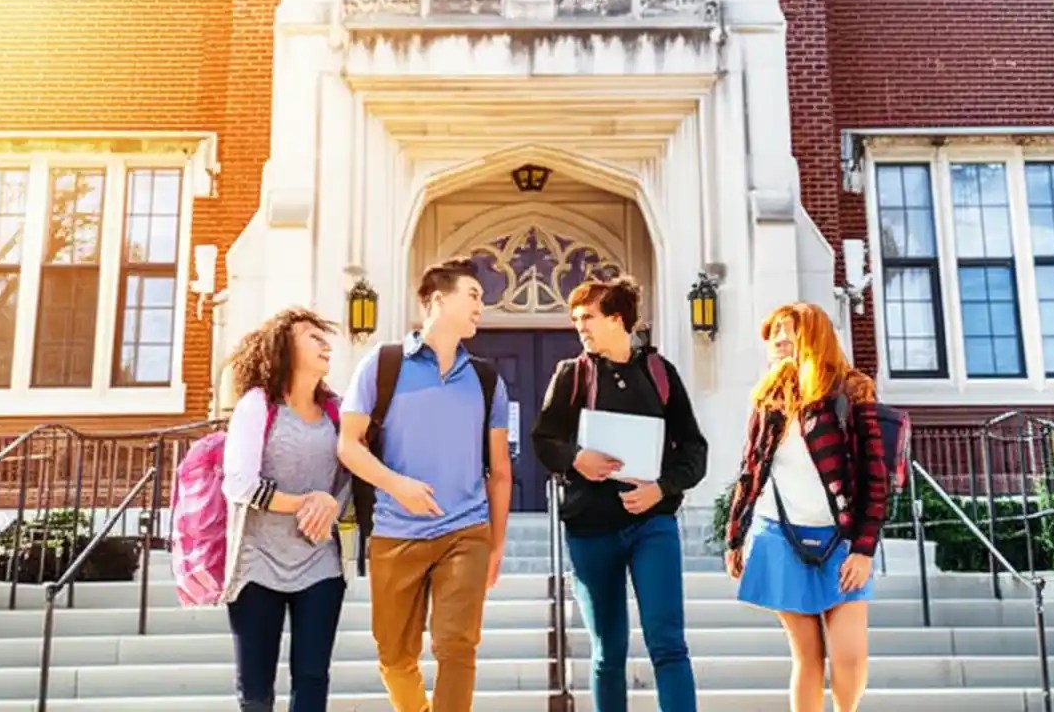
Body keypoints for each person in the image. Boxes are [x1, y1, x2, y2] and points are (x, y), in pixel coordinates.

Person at [337, 256, 511, 712]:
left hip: (466, 530)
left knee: (457, 646)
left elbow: (500, 471)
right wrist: (398, 486)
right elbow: (349, 445)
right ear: (438, 298)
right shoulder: (382, 365)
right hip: (396, 532)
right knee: (395, 655)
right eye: (473, 295)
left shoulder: (487, 380)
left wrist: (495, 542)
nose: (482, 305)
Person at [532, 277, 708, 712]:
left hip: (652, 526)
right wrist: (577, 458)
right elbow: (543, 440)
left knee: (668, 644)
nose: (580, 327)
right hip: (591, 531)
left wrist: (661, 489)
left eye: (587, 317)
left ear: (617, 319)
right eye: (575, 319)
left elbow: (694, 449)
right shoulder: (572, 375)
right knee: (607, 653)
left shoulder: (660, 373)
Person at [724, 301, 888, 712]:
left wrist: (864, 550)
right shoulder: (771, 398)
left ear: (813, 336)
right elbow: (751, 472)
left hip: (841, 540)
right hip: (780, 535)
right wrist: (734, 538)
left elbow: (874, 475)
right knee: (808, 656)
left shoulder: (851, 390)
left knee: (850, 657)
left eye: (788, 330)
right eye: (774, 332)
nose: (778, 340)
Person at [219, 307, 351, 712]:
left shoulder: (338, 412)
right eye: (314, 336)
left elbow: (348, 481)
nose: (325, 344)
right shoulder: (257, 405)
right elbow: (240, 483)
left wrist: (330, 504)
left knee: (312, 682)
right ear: (285, 348)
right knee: (256, 693)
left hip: (320, 565)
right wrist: (308, 503)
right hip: (257, 563)